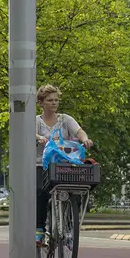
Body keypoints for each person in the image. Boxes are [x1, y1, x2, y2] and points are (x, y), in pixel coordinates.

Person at [35, 84, 93, 245]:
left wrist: (85, 139)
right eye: (49, 100)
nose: (54, 103)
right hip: (42, 165)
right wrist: (39, 137)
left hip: (65, 166)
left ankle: (68, 228)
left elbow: (79, 131)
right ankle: (39, 230)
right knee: (41, 191)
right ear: (41, 103)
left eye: (56, 100)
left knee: (75, 192)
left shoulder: (65, 119)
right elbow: (31, 132)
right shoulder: (36, 121)